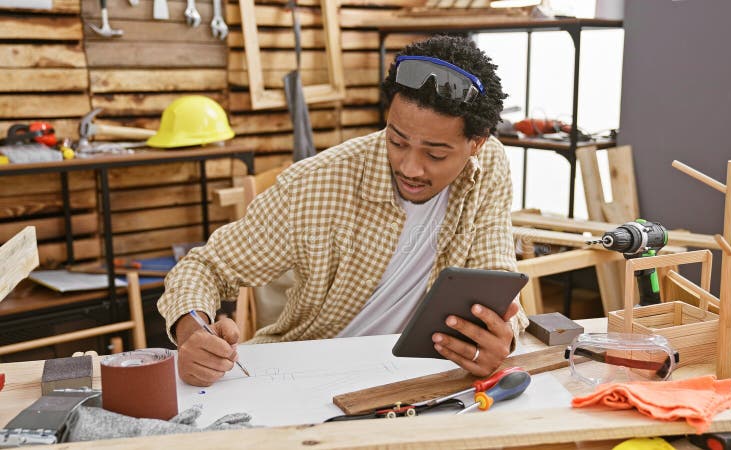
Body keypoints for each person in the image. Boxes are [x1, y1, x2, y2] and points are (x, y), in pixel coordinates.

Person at [157, 35, 529, 387]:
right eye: (396, 140)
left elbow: (494, 274)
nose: (410, 168)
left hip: (425, 375)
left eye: (435, 154)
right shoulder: (317, 184)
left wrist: (502, 335)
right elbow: (205, 267)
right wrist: (192, 328)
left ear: (475, 144)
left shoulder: (490, 164)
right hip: (308, 374)